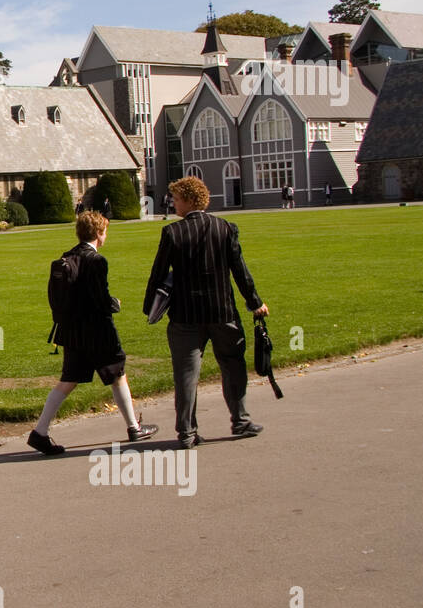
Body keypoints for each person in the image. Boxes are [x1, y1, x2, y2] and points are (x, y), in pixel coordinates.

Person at [142, 177, 268, 449]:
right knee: (233, 367)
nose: (173, 202)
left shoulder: (173, 233)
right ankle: (241, 420)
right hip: (222, 311)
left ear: (189, 200)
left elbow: (159, 274)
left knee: (186, 376)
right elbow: (240, 272)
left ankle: (187, 432)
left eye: (176, 198)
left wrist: (149, 307)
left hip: (185, 315)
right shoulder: (224, 228)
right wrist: (254, 302)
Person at [30, 212, 156, 455]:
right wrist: (114, 303)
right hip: (98, 331)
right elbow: (99, 299)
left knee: (68, 381)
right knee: (118, 373)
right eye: (105, 231)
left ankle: (40, 431)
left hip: (72, 331)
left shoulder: (67, 258)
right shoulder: (96, 261)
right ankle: (133, 427)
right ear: (99, 233)